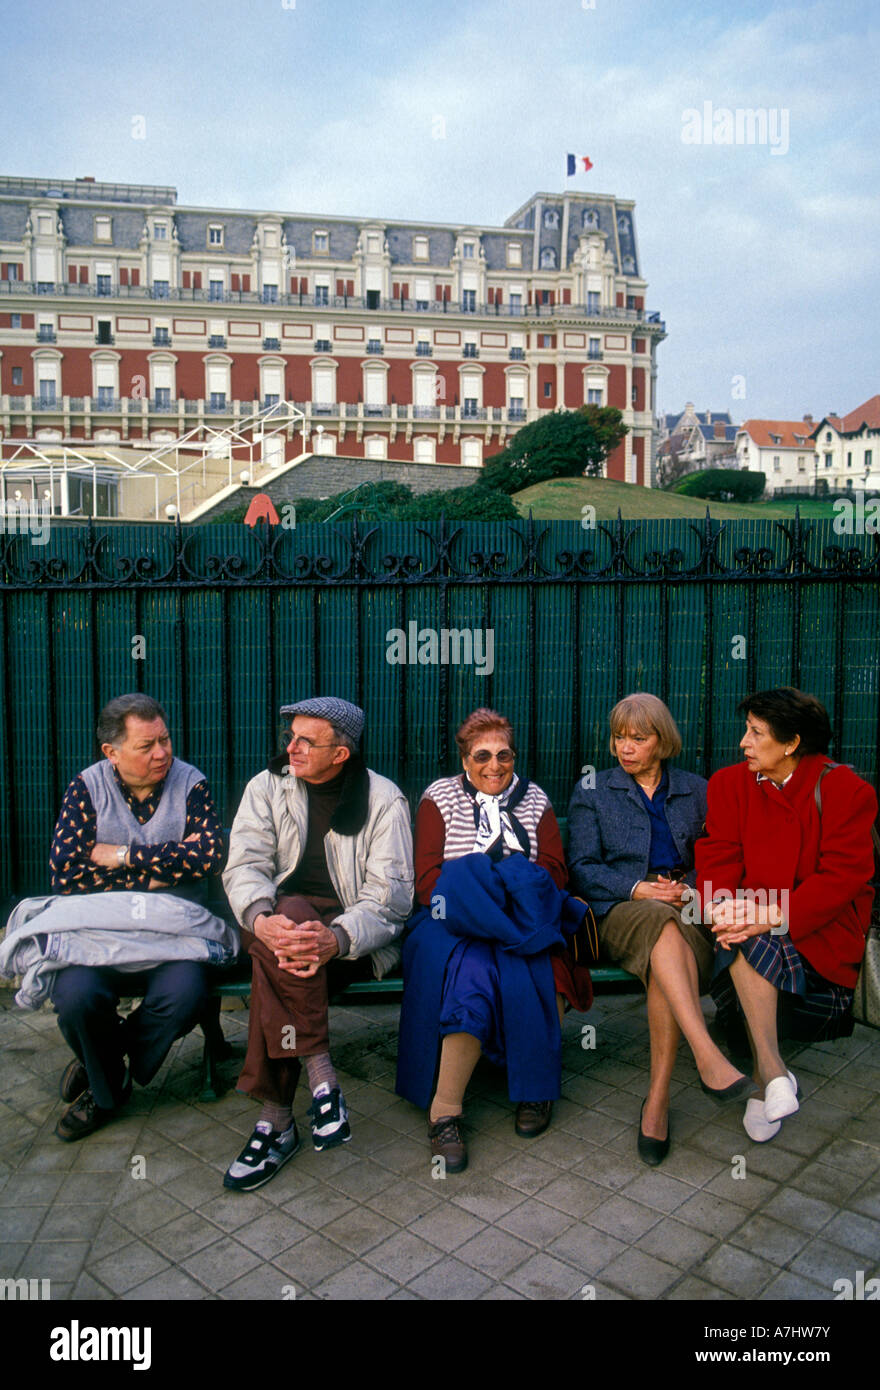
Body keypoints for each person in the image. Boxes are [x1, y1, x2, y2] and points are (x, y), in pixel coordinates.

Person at [0, 693, 229, 1141]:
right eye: (147, 746)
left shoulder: (191, 783)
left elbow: (208, 856)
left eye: (164, 739)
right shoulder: (87, 787)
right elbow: (66, 873)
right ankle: (109, 1091)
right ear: (112, 752)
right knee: (75, 996)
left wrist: (121, 857)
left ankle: (102, 1063)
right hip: (98, 934)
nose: (162, 752)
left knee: (186, 992)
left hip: (172, 933)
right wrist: (160, 876)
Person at [221, 696, 414, 1191]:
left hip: (350, 939)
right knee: (290, 918)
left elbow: (390, 900)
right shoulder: (267, 787)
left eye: (307, 740)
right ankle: (320, 1077)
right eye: (290, 737)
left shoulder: (383, 799)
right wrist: (260, 920)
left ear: (341, 753)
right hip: (275, 928)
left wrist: (337, 938)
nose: (293, 748)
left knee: (282, 963)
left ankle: (276, 1123)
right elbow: (245, 867)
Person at [396, 708, 592, 1174]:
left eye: (504, 755)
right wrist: (485, 885)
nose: (494, 765)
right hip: (453, 921)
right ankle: (444, 1112)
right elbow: (428, 882)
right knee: (472, 973)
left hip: (526, 918)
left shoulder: (535, 799)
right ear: (464, 759)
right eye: (481, 755)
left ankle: (534, 1088)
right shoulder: (438, 798)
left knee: (542, 967)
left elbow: (555, 873)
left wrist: (509, 887)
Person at [567, 692, 754, 1166]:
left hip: (687, 911)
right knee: (658, 926)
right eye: (618, 738)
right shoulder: (593, 790)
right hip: (621, 913)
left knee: (666, 947)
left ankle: (658, 1100)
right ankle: (706, 1055)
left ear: (662, 741)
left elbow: (723, 856)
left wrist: (688, 889)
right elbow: (582, 868)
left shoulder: (699, 789)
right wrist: (638, 888)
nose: (625, 748)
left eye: (638, 738)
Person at [696, 687, 878, 1143]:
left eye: (756, 733)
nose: (744, 742)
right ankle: (772, 1072)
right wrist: (724, 908)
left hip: (820, 945)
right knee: (743, 932)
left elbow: (842, 879)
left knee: (750, 932)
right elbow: (716, 859)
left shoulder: (846, 791)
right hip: (745, 934)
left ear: (792, 742)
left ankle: (765, 1075)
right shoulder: (729, 784)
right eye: (747, 730)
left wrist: (771, 914)